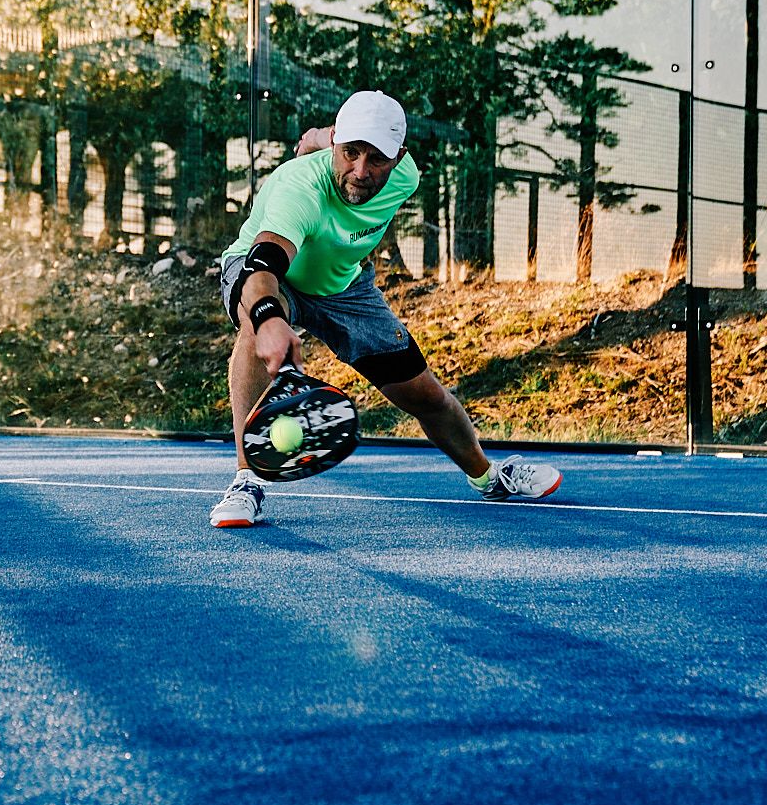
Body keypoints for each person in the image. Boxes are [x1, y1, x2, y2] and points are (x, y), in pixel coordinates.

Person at [209, 89, 561, 527]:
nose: (359, 171)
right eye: (350, 153)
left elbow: (332, 141)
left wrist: (318, 136)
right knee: (254, 325)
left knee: (425, 394)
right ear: (338, 144)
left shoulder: (405, 176)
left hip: (344, 286)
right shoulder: (298, 187)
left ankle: (489, 478)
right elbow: (263, 264)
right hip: (268, 271)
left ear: (398, 158)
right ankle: (248, 479)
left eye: (376, 158)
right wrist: (269, 320)